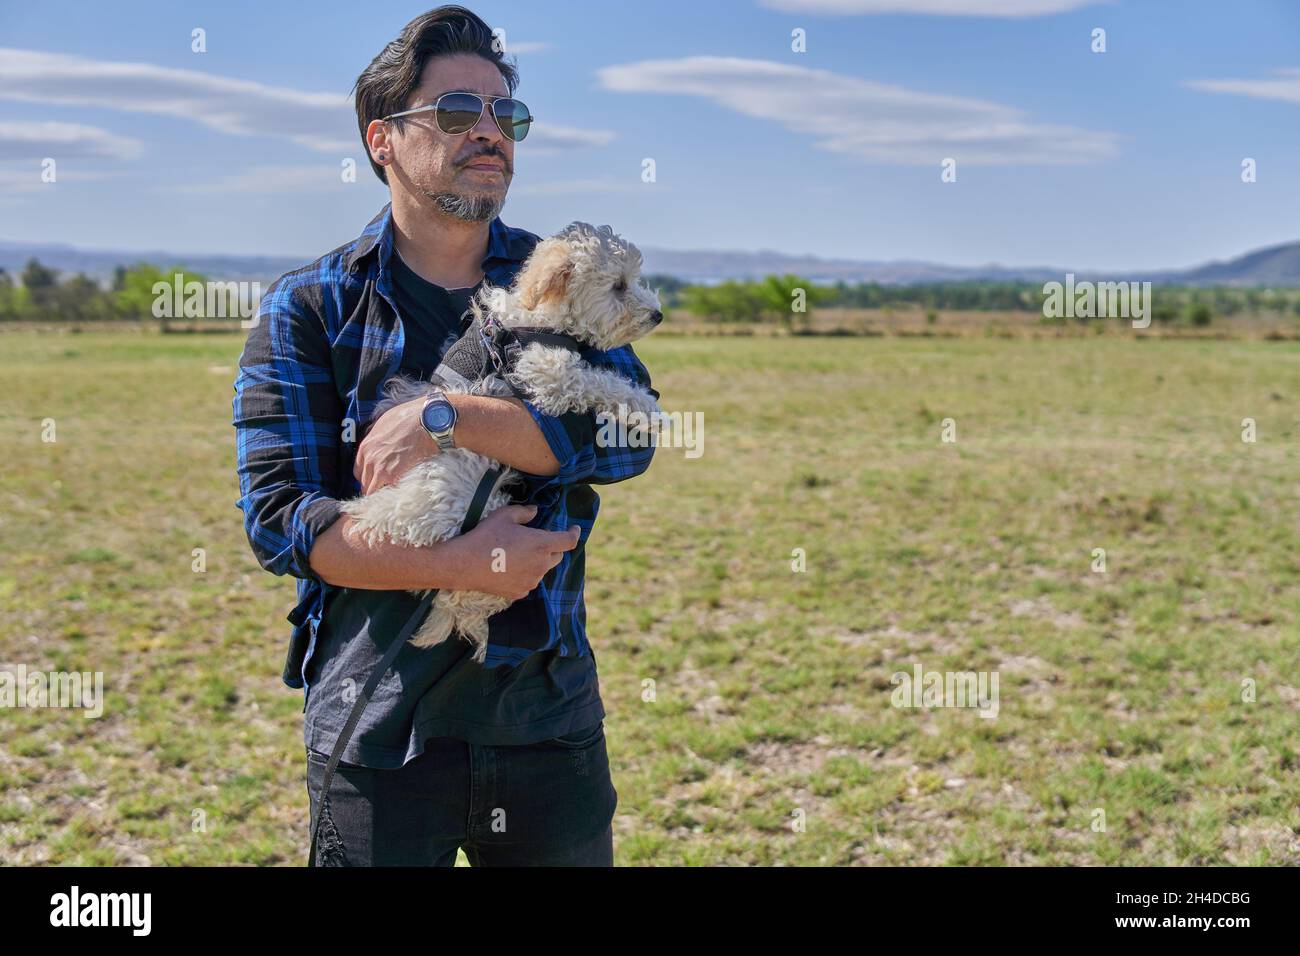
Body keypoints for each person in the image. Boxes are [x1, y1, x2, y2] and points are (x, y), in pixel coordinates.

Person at [231, 5, 656, 866]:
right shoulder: (309, 307)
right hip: (376, 720)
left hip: (542, 712)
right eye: (458, 112)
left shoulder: (561, 274)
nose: (490, 132)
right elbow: (281, 521)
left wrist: (449, 417)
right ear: (381, 138)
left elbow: (627, 436)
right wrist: (456, 564)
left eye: (507, 115)